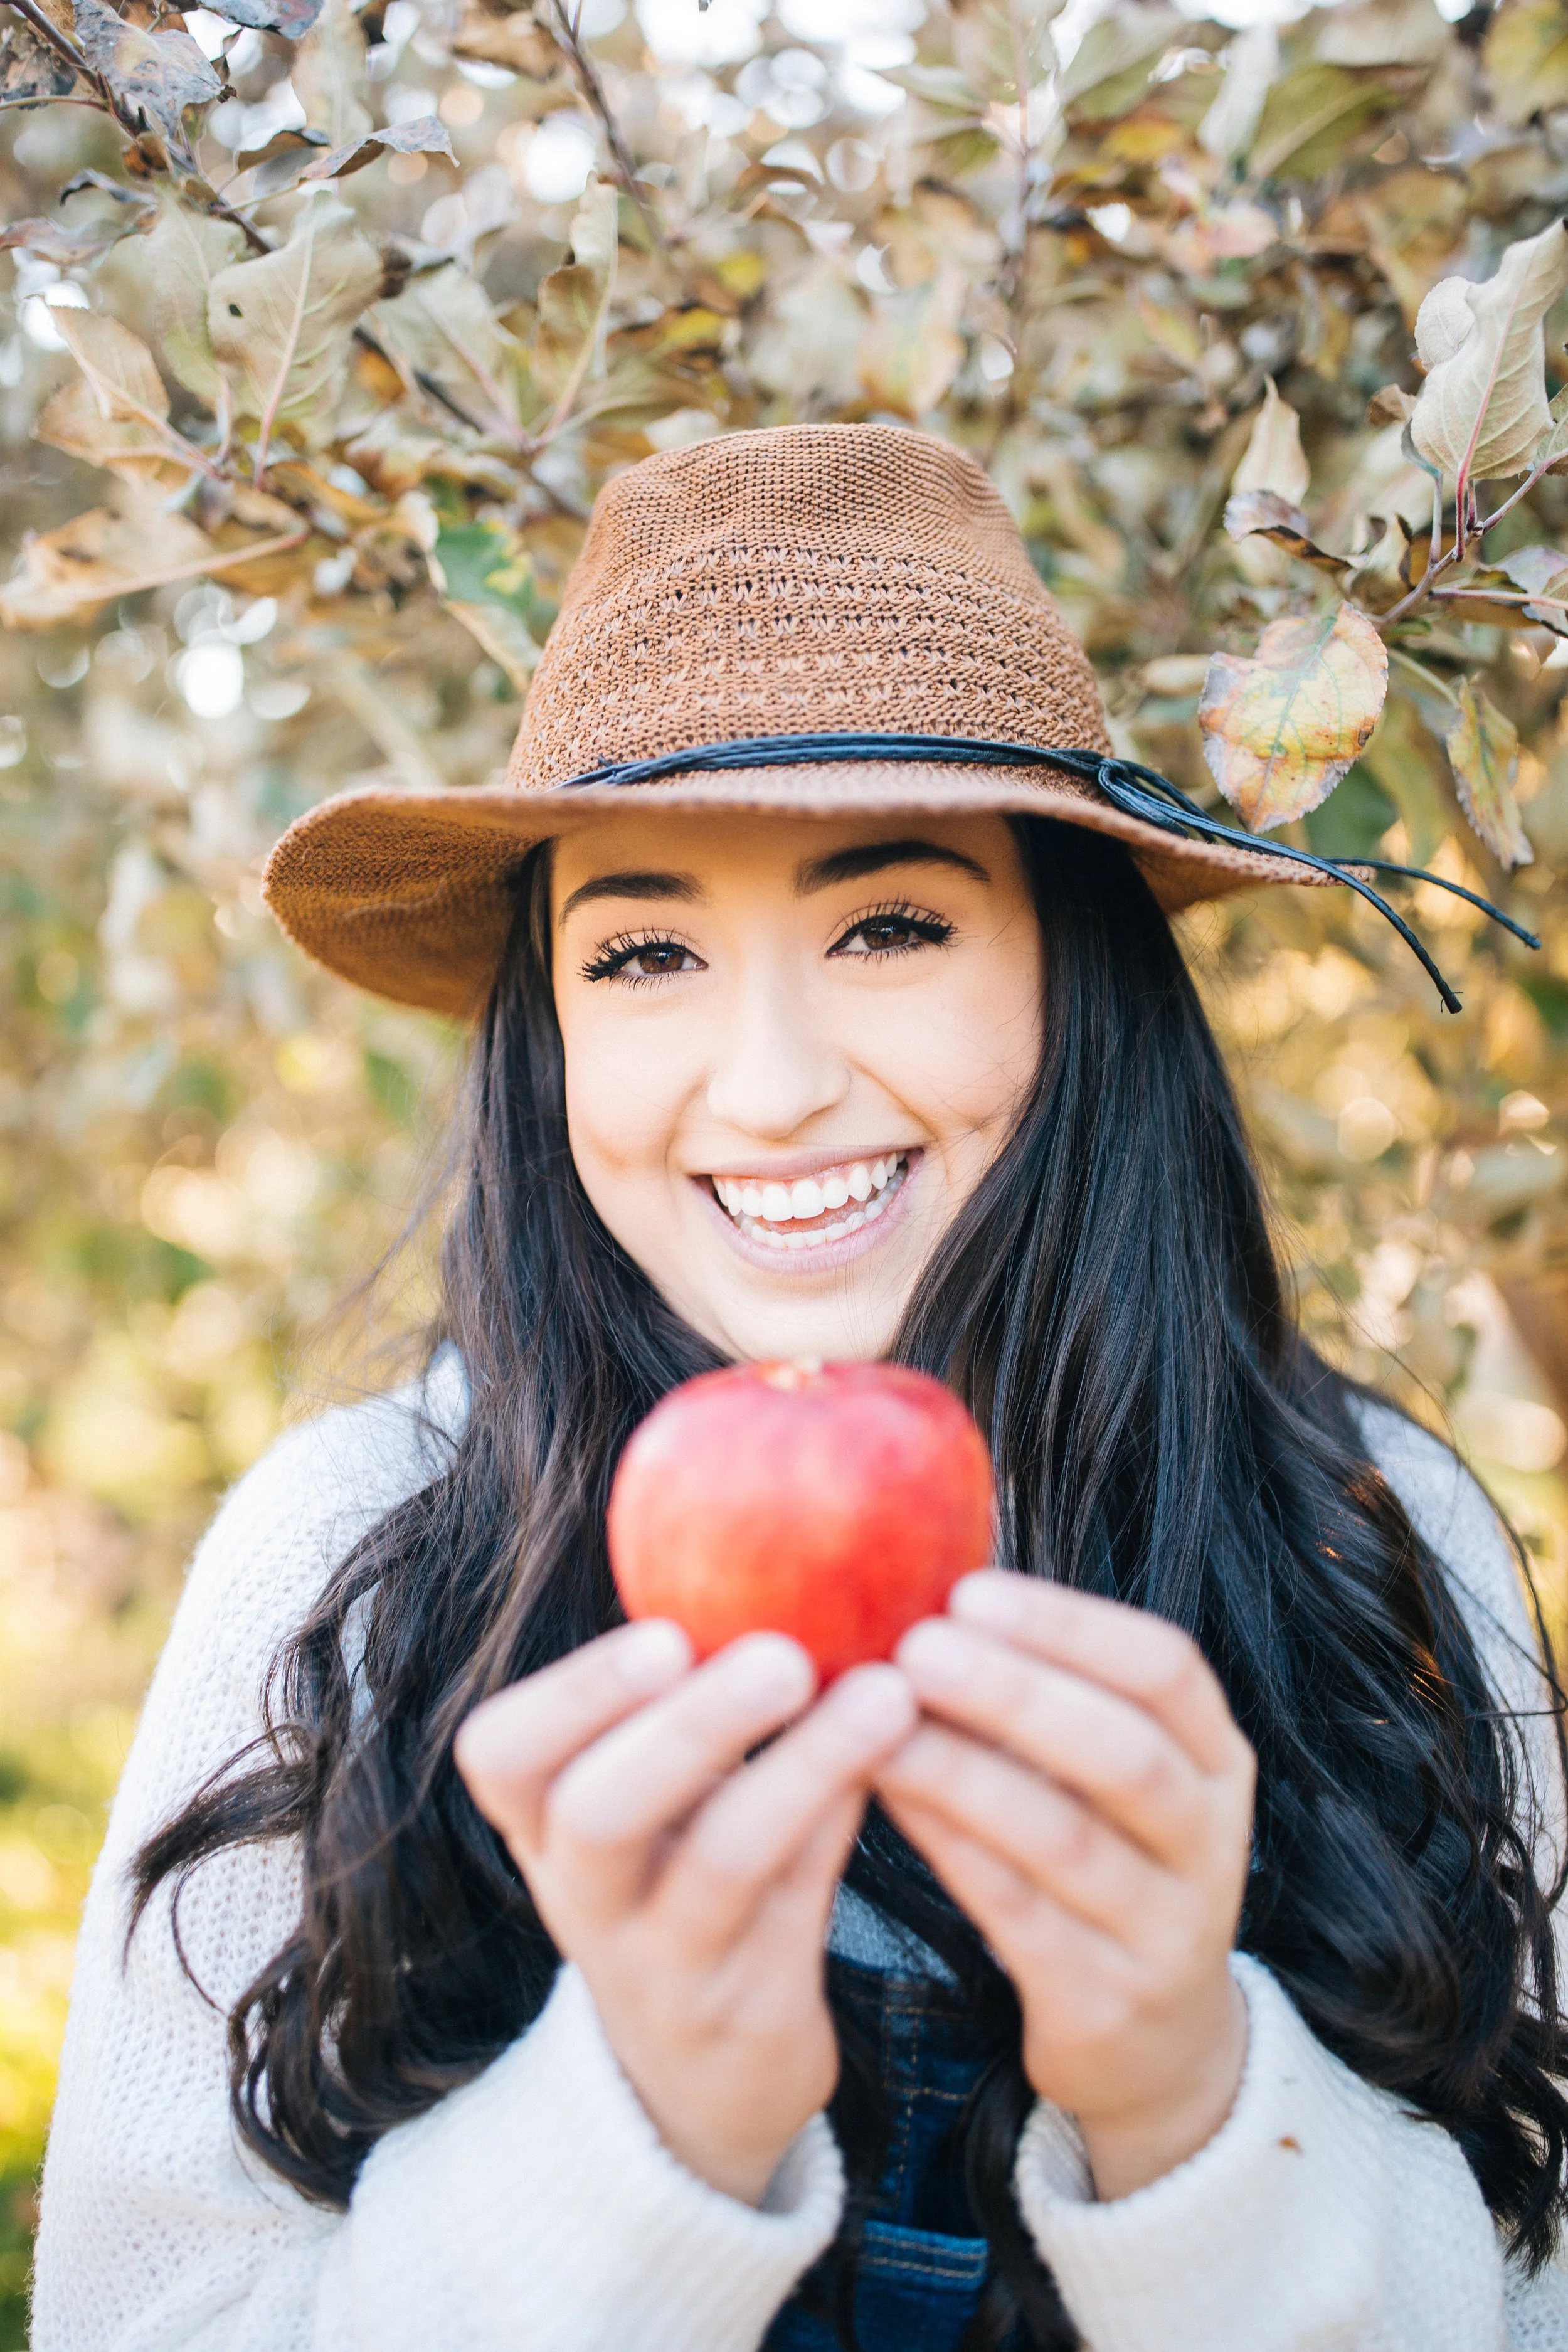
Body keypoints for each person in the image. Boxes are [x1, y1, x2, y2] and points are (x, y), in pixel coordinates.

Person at [30, 423, 1568, 2352]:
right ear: (549, 1031)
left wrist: (1186, 2094)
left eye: (891, 924)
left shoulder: (1369, 1536)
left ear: (1064, 974)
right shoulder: (356, 1549)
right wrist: (639, 2129)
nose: (762, 1087)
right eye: (645, 950)